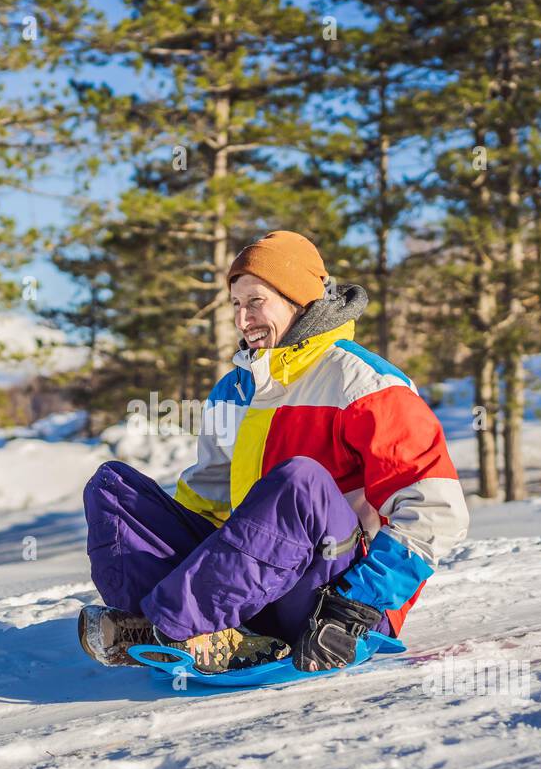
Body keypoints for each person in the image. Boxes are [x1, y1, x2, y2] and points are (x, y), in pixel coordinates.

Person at [78, 230, 469, 674]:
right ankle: (189, 629)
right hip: (249, 594)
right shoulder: (234, 391)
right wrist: (172, 558)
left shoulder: (365, 384)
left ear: (298, 299)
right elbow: (207, 502)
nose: (243, 319)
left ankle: (169, 626)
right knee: (111, 488)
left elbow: (437, 511)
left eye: (256, 301)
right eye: (235, 305)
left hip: (331, 603)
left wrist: (356, 606)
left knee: (300, 481)